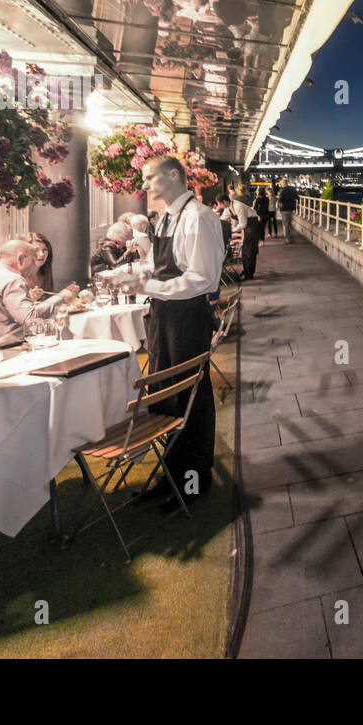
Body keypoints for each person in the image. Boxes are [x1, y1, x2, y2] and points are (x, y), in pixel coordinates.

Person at [131, 154, 223, 508]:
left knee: (189, 396)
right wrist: (139, 277)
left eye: (149, 177)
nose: (144, 185)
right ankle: (170, 476)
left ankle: (193, 482)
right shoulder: (168, 218)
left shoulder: (199, 218)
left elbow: (203, 279)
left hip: (186, 319)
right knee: (165, 393)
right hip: (164, 316)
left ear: (173, 175)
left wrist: (148, 287)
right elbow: (164, 268)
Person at [0, 239, 78, 343]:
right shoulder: (13, 280)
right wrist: (61, 298)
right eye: (32, 261)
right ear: (20, 259)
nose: (33, 267)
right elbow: (30, 319)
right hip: (6, 349)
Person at [217, 193, 260, 280]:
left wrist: (232, 230)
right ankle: (247, 271)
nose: (219, 206)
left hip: (253, 225)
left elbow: (243, 224)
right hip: (248, 226)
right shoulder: (228, 208)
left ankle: (249, 274)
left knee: (248, 250)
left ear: (224, 202)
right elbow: (222, 219)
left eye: (220, 204)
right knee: (246, 250)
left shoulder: (238, 206)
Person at [20, 231, 55, 298]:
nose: (41, 254)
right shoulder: (16, 277)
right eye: (36, 250)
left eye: (44, 250)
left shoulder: (44, 273)